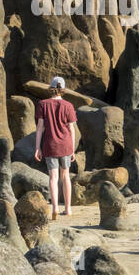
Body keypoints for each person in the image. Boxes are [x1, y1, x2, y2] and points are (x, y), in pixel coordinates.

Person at [34, 76, 79, 219]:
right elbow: (72, 129)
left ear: (51, 88)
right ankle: (68, 208)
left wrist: (37, 148)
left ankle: (55, 208)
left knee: (53, 178)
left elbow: (40, 128)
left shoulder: (43, 104)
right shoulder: (68, 105)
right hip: (66, 145)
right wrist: (72, 149)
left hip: (50, 145)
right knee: (65, 177)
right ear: (63, 89)